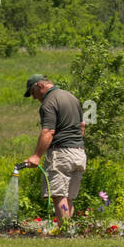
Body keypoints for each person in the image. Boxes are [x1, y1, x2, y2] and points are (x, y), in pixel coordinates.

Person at [22, 74, 86, 221]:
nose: (34, 97)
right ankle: (69, 232)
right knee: (68, 197)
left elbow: (48, 131)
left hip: (61, 153)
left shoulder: (49, 102)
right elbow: (82, 126)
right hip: (79, 153)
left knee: (58, 195)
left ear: (39, 86)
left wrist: (36, 156)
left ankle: (63, 232)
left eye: (33, 93)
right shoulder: (72, 97)